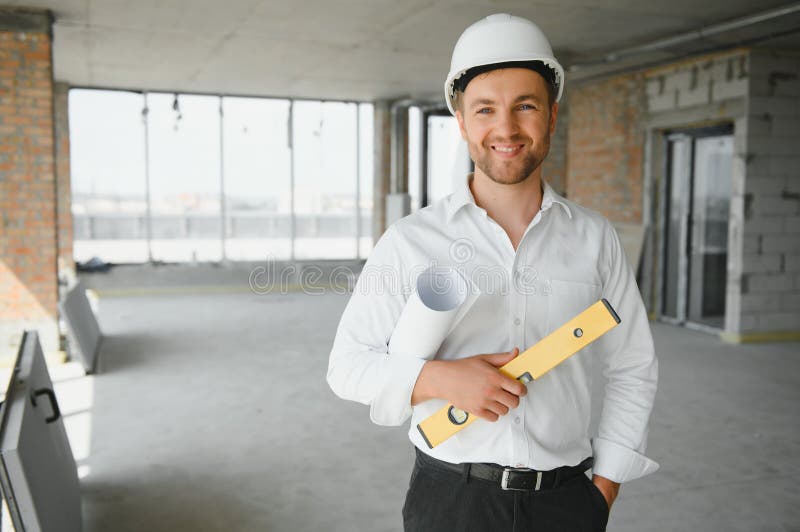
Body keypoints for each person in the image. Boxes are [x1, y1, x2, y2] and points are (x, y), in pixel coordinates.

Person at [327, 13, 658, 532]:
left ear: (551, 115)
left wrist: (605, 489)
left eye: (525, 106)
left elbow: (633, 367)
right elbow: (346, 366)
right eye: (485, 109)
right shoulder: (412, 241)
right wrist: (438, 378)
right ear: (461, 121)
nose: (506, 128)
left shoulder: (595, 239)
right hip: (451, 501)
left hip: (567, 501)